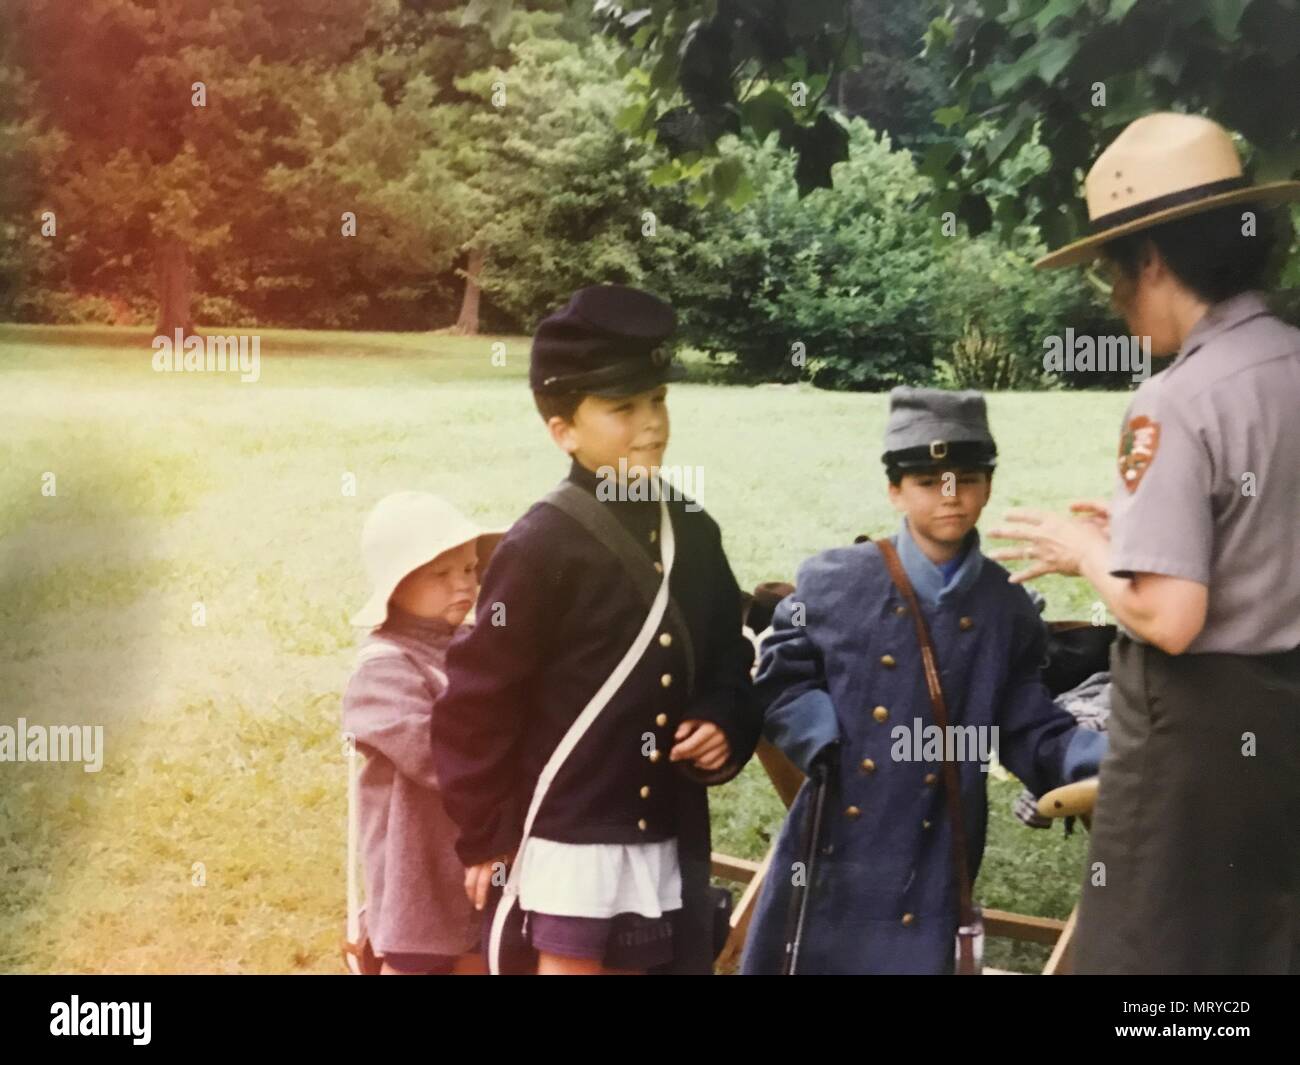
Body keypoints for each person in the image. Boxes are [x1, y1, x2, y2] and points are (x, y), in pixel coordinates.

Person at [991, 111, 1300, 974]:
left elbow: (1170, 617)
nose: (1115, 298)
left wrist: (1086, 550)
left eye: (1112, 275)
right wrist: (1135, 531)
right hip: (1282, 728)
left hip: (1194, 741)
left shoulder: (1173, 398)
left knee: (1158, 964)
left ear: (1153, 260)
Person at [431, 284, 761, 975]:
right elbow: (475, 699)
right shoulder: (540, 543)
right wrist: (487, 835)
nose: (650, 424)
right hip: (569, 833)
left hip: (661, 833)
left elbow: (729, 660)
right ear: (564, 430)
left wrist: (723, 720)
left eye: (658, 399)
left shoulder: (693, 532)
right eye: (622, 407)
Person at [740, 387, 1107, 974]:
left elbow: (1029, 725)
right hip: (836, 833)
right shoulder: (834, 581)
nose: (950, 497)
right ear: (894, 490)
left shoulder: (1005, 609)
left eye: (967, 477)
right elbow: (781, 677)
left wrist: (1109, 759)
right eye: (926, 481)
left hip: (934, 850)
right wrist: (827, 743)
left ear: (988, 483)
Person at [342, 491, 502, 975]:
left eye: (471, 569)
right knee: (419, 962)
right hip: (419, 874)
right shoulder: (383, 669)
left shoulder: (476, 649)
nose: (464, 584)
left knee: (480, 956)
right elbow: (436, 753)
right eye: (441, 573)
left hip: (478, 861)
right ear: (397, 585)